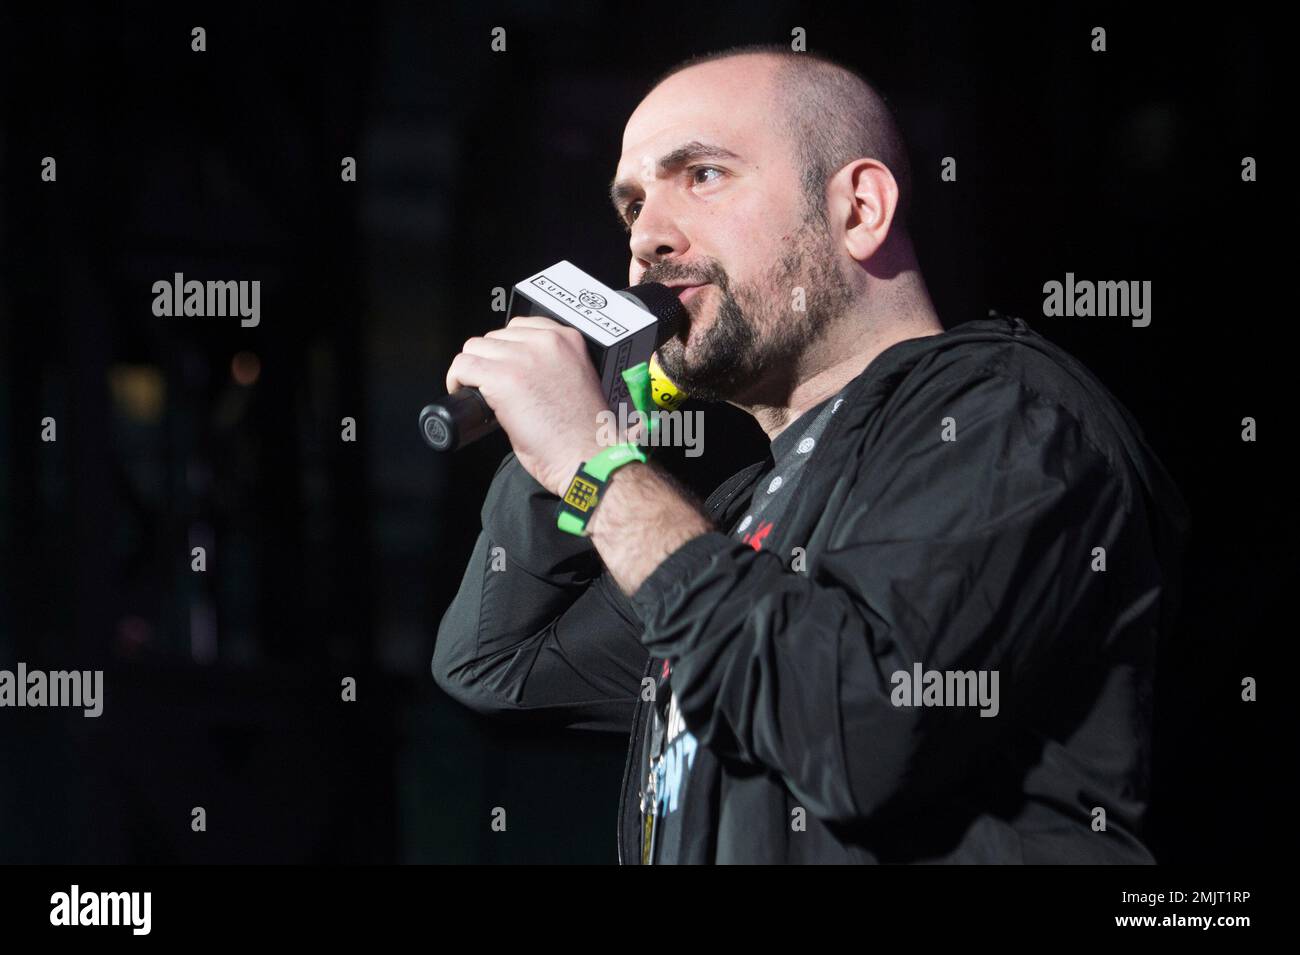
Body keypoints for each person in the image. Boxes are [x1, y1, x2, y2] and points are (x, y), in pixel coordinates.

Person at [431, 44, 1190, 864]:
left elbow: (858, 727)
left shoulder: (1006, 411)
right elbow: (497, 663)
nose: (644, 238)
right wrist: (582, 438)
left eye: (703, 175)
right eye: (632, 206)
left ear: (860, 207)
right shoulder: (743, 517)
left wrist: (596, 465)